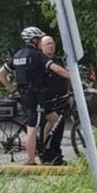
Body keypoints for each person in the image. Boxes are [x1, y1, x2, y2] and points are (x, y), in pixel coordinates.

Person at [0, 26, 71, 165]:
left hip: (25, 93)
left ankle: (44, 147)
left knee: (54, 119)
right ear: (34, 40)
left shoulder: (18, 55)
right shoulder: (37, 55)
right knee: (33, 127)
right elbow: (54, 67)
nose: (41, 41)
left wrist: (12, 90)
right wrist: (72, 77)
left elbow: (1, 74)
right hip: (35, 95)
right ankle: (30, 160)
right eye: (40, 39)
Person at [39, 35, 69, 165]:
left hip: (60, 100)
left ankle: (56, 154)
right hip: (47, 100)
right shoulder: (41, 60)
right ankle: (46, 154)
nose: (51, 46)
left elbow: (64, 74)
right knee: (49, 126)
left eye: (52, 43)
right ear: (41, 46)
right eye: (48, 44)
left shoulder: (58, 61)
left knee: (59, 129)